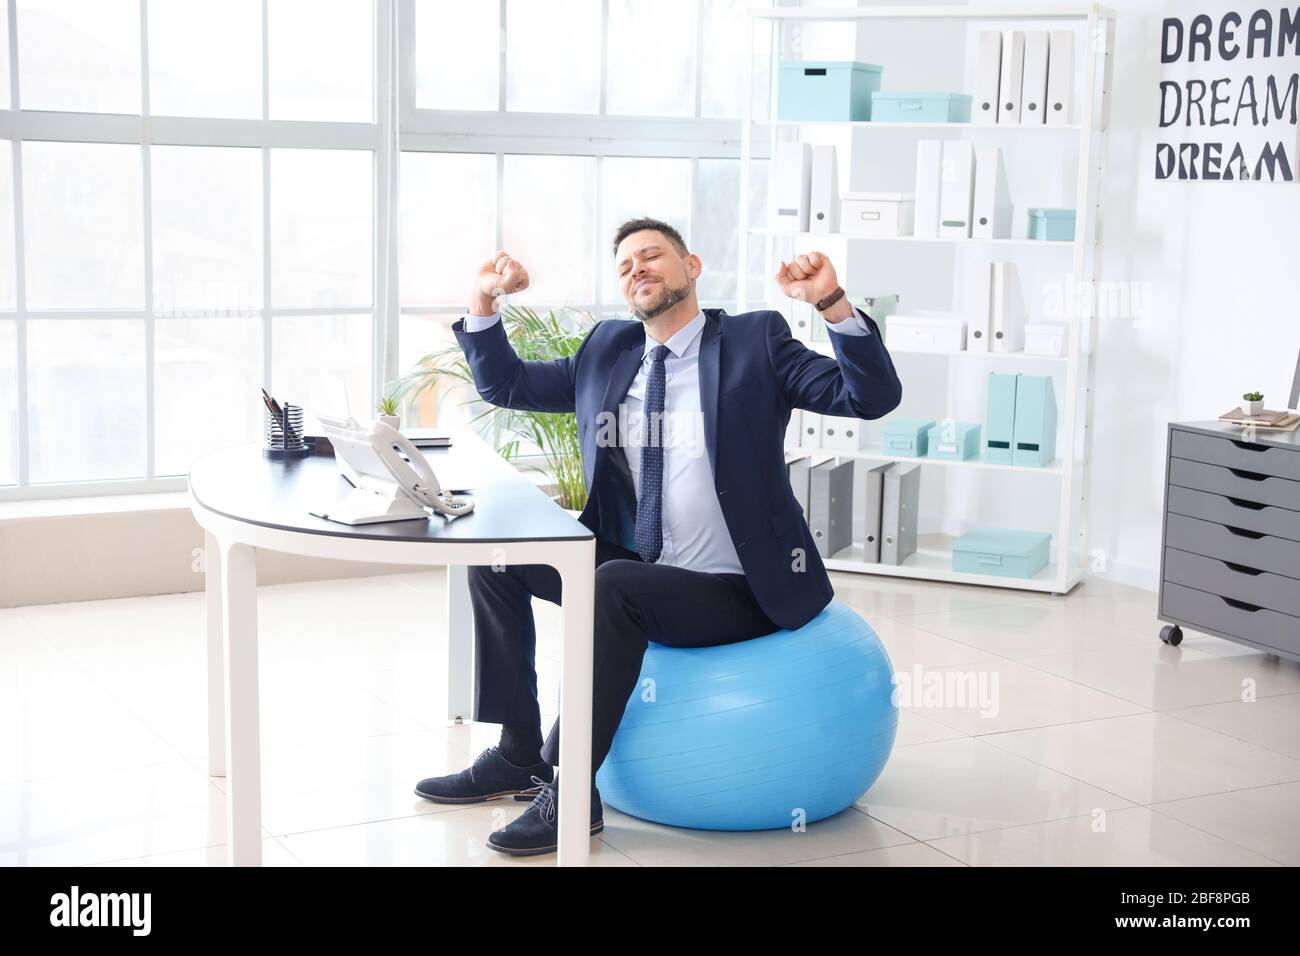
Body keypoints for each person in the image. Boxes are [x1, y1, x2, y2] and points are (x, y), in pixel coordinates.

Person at [414, 217, 902, 856]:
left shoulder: (757, 341)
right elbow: (506, 385)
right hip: (647, 564)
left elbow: (870, 397)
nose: (637, 269)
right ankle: (517, 753)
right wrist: (484, 301)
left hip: (739, 585)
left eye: (652, 256)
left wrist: (830, 304)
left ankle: (570, 788)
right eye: (625, 265)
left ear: (691, 266)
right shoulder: (608, 350)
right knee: (498, 558)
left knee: (616, 586)